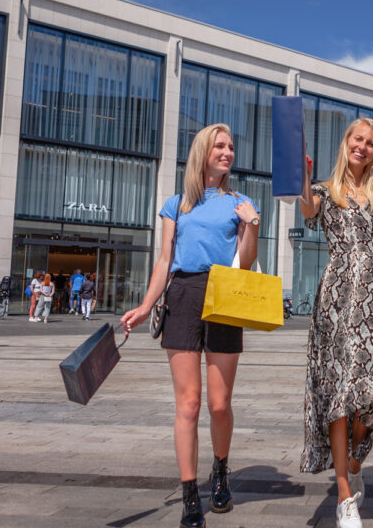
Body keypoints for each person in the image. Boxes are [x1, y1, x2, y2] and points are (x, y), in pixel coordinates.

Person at [121, 123, 260, 528]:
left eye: (231, 146)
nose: (228, 151)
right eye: (220, 145)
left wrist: (251, 224)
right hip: (182, 296)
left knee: (219, 404)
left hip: (225, 295)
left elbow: (246, 263)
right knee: (189, 403)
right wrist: (147, 305)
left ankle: (220, 470)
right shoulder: (176, 204)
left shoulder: (240, 202)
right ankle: (189, 495)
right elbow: (164, 261)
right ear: (203, 150)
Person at [296, 118, 373, 528]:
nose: (363, 146)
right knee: (340, 397)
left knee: (372, 396)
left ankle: (355, 458)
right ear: (346, 143)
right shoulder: (326, 191)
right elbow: (308, 209)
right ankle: (344, 496)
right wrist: (305, 179)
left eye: (371, 143)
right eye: (358, 139)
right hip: (338, 305)